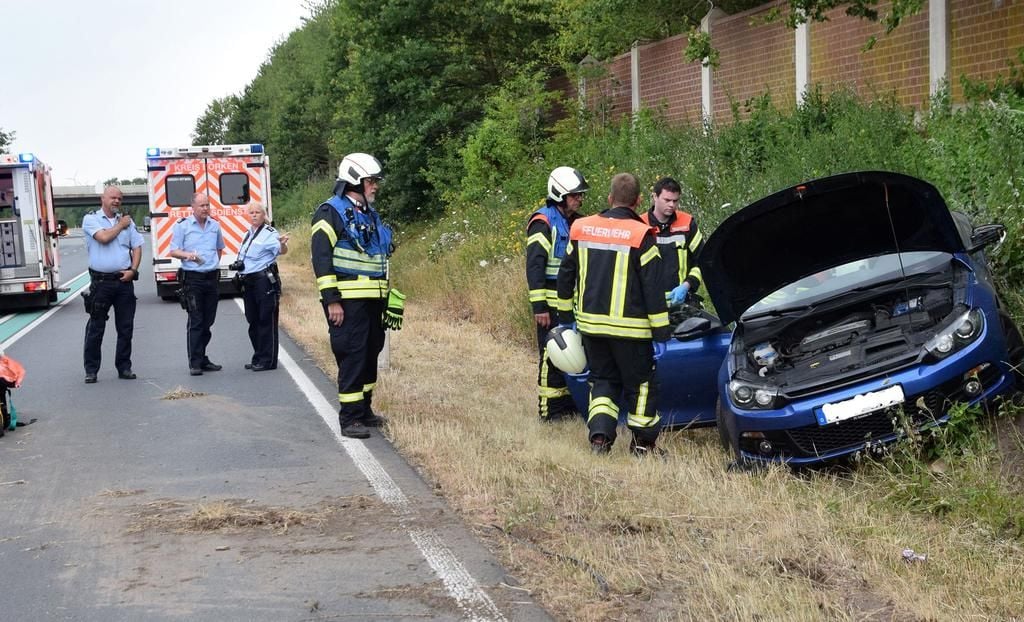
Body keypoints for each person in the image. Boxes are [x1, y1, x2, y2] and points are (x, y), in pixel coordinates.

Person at [556, 173, 670, 456]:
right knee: (641, 386)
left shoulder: (581, 228)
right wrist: (661, 331)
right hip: (632, 332)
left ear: (609, 199)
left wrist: (564, 317)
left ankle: (600, 439)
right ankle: (643, 445)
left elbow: (565, 275)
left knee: (602, 382)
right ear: (639, 201)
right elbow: (653, 289)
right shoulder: (642, 235)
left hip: (592, 329)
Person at [311, 153, 396, 439]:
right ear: (355, 181)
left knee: (371, 353)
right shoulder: (330, 212)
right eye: (371, 181)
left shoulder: (369, 215)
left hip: (374, 299)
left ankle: (364, 410)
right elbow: (322, 259)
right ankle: (349, 419)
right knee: (353, 355)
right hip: (347, 302)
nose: (375, 187)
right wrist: (331, 299)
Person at [526, 166, 588, 422]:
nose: (580, 199)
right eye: (575, 195)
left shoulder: (578, 222)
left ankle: (571, 404)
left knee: (574, 355)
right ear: (559, 194)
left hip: (572, 305)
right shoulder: (543, 223)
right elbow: (535, 266)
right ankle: (550, 411)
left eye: (580, 195)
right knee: (551, 355)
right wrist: (539, 305)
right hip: (549, 306)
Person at [82, 186, 144, 383]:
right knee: (96, 328)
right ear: (103, 199)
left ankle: (124, 367)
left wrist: (133, 270)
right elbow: (103, 238)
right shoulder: (91, 219)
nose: (116, 201)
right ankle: (91, 370)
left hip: (124, 283)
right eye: (112, 198)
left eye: (119, 198)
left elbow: (137, 247)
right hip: (101, 283)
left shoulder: (127, 222)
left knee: (125, 328)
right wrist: (121, 225)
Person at [168, 191, 225, 376]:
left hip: (211, 277)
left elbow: (219, 249)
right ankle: (195, 362)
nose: (205, 208)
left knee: (208, 321)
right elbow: (174, 251)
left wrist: (212, 265)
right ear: (192, 207)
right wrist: (188, 256)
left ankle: (202, 357)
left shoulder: (215, 226)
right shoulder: (182, 227)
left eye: (207, 205)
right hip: (193, 279)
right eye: (202, 205)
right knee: (196, 321)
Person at [238, 203, 289, 371]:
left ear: (264, 215)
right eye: (251, 212)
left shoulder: (269, 233)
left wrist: (282, 244)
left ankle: (268, 360)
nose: (254, 215)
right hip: (249, 281)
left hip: (264, 281)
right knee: (253, 321)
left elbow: (281, 251)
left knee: (266, 320)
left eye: (257, 212)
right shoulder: (248, 234)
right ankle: (258, 356)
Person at [640, 177, 704, 306]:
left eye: (675, 201)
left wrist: (687, 285)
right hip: (648, 304)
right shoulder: (641, 225)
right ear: (654, 197)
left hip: (681, 302)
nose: (671, 205)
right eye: (667, 200)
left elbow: (702, 260)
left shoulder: (687, 224)